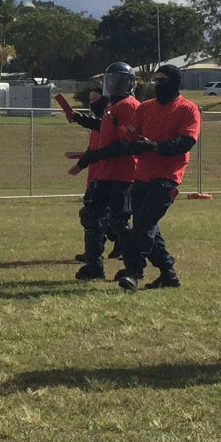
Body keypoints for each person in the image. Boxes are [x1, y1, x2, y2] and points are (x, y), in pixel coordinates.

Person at [114, 64, 201, 292]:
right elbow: (135, 138)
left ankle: (134, 272)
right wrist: (130, 140)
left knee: (144, 225)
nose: (158, 85)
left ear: (174, 82)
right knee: (148, 226)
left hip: (168, 177)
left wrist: (154, 146)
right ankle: (168, 273)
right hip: (142, 175)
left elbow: (186, 142)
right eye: (156, 81)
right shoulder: (145, 108)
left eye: (162, 81)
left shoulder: (188, 109)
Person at [68, 63, 140, 281]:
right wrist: (80, 119)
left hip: (122, 174)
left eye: (117, 80)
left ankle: (132, 268)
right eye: (110, 80)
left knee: (120, 222)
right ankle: (94, 265)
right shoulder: (111, 107)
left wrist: (94, 157)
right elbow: (103, 129)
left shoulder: (130, 106)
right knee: (91, 217)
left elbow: (127, 142)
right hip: (104, 173)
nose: (112, 85)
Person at [64, 87, 118, 262]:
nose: (93, 103)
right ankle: (94, 252)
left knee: (108, 214)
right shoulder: (98, 125)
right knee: (92, 213)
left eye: (96, 99)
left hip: (110, 174)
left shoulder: (109, 121)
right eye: (90, 100)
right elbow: (92, 149)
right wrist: (81, 165)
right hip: (96, 173)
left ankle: (120, 244)